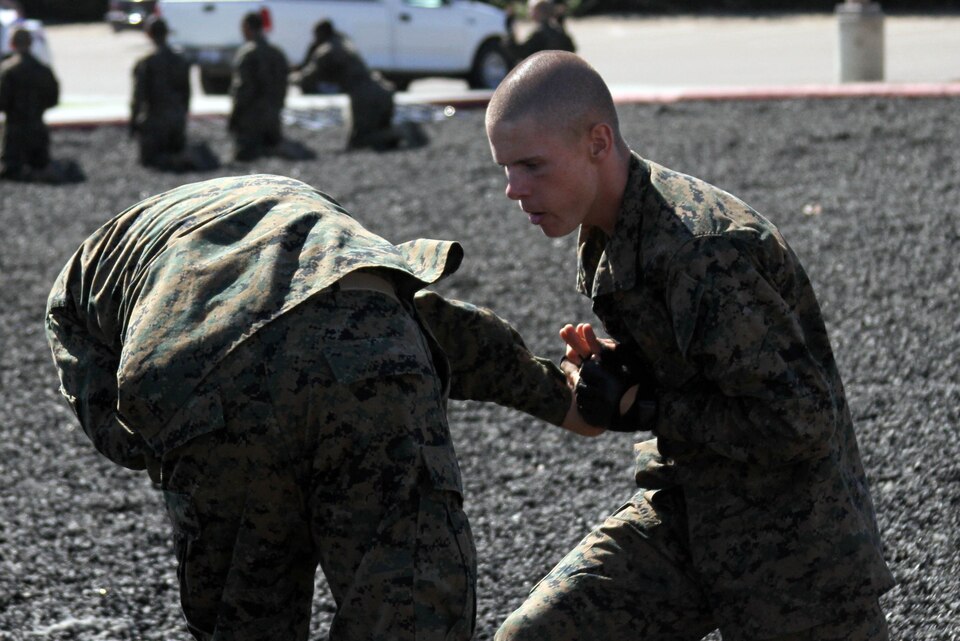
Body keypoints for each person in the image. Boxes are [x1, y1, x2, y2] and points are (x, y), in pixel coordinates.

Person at [44, 173, 588, 641]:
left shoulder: (80, 283)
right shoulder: (309, 220)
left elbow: (116, 429)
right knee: (409, 608)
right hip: (368, 345)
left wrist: (199, 455)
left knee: (246, 616)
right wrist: (567, 398)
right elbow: (428, 319)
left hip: (202, 376)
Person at [485, 51, 895, 641]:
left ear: (598, 142)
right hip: (690, 507)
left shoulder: (699, 251)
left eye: (530, 165)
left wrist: (647, 407)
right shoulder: (605, 227)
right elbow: (693, 364)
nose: (512, 189)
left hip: (793, 545)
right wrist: (615, 370)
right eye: (505, 168)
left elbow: (799, 421)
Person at [296, 19, 425, 151]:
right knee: (380, 141)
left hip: (366, 97)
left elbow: (309, 75)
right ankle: (400, 131)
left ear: (321, 33)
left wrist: (293, 79)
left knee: (359, 141)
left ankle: (401, 130)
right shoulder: (344, 43)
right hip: (380, 91)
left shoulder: (328, 50)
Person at [129, 17, 192, 169]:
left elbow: (139, 96)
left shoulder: (147, 62)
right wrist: (182, 115)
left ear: (149, 34)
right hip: (176, 120)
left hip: (155, 121)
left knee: (149, 162)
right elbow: (187, 92)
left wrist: (133, 123)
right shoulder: (180, 60)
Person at [229, 12, 289, 161]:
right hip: (272, 117)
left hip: (251, 120)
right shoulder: (277, 53)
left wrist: (234, 116)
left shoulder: (247, 53)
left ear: (248, 28)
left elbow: (243, 89)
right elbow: (283, 86)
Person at [0, 27, 58, 179]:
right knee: (40, 168)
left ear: (12, 44)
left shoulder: (8, 71)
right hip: (37, 129)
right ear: (31, 43)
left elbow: (2, 101)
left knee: (12, 172)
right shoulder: (43, 70)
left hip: (14, 132)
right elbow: (53, 99)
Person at [502, 0, 575, 67]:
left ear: (538, 12)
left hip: (545, 73)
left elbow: (520, 52)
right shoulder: (558, 29)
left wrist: (509, 25)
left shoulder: (539, 33)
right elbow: (572, 48)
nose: (529, 12)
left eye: (531, 9)